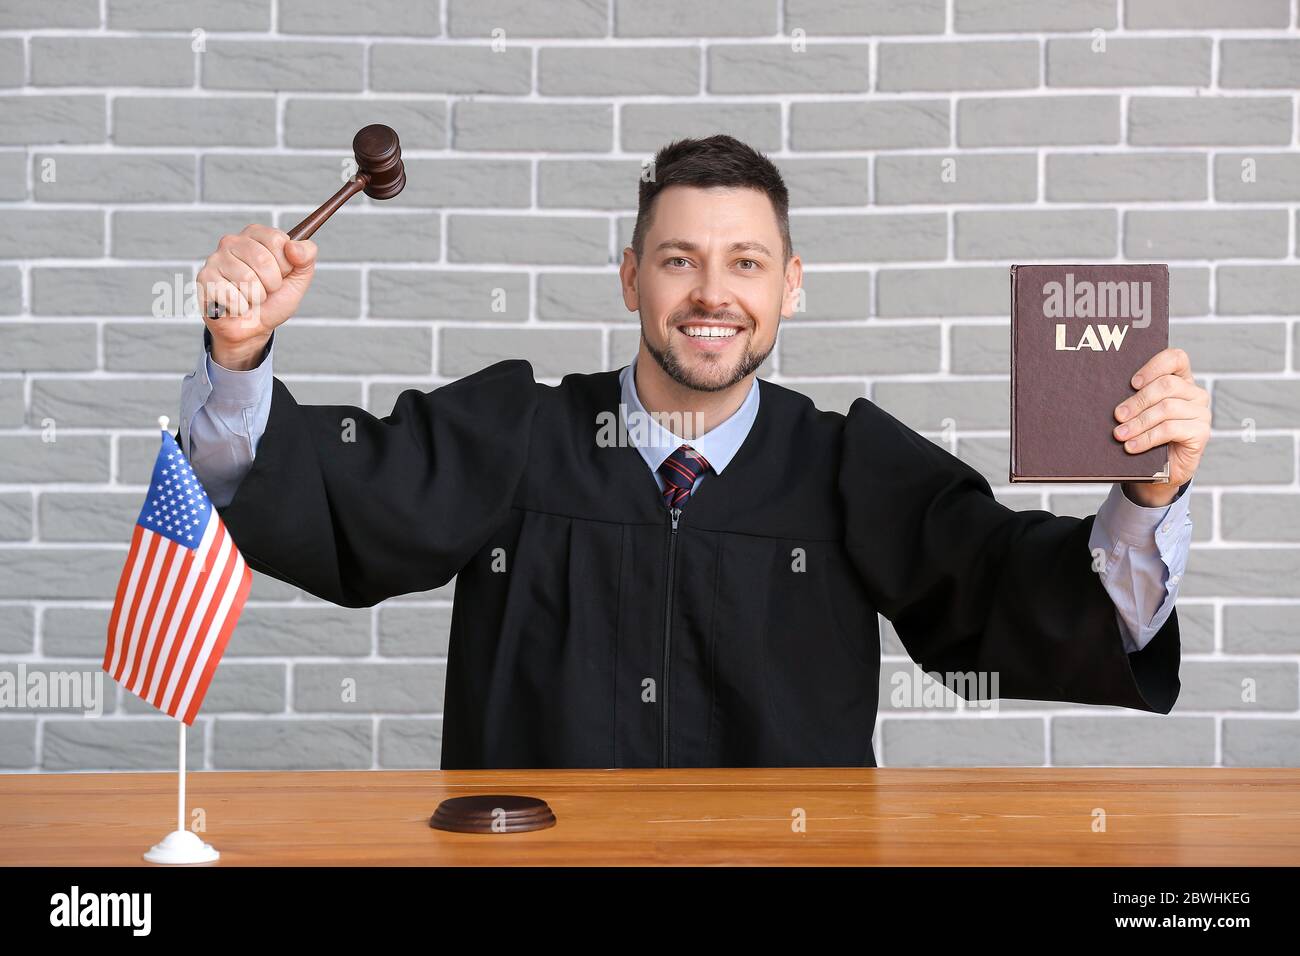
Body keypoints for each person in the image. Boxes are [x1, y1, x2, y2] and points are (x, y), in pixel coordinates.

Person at [178, 135, 1208, 769]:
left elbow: (1023, 594)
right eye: (679, 259)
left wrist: (1146, 494)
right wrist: (241, 350)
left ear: (788, 286)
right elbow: (310, 487)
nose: (712, 293)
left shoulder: (849, 468)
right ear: (631, 277)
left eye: (745, 263)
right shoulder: (519, 438)